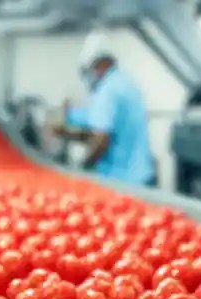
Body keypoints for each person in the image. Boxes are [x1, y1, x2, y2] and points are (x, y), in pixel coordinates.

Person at [51, 30, 157, 187]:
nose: (90, 76)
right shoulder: (125, 82)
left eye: (90, 70)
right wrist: (69, 122)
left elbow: (101, 139)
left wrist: (81, 169)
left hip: (123, 182)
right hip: (142, 176)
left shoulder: (107, 90)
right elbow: (99, 126)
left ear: (100, 65)